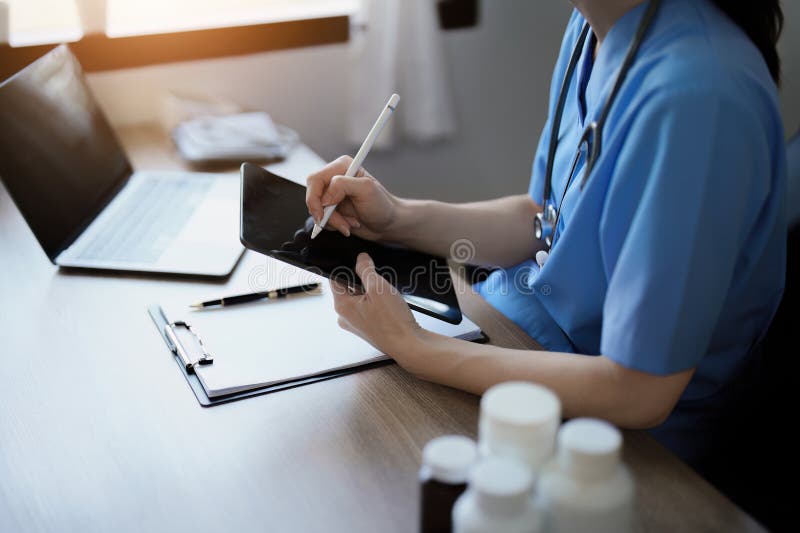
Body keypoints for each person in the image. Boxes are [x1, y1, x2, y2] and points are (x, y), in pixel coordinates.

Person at [304, 0, 787, 467]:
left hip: (621, 438)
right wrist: (396, 218)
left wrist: (417, 348)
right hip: (517, 339)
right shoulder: (592, 27)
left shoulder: (698, 97)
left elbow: (640, 391)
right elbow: (543, 220)